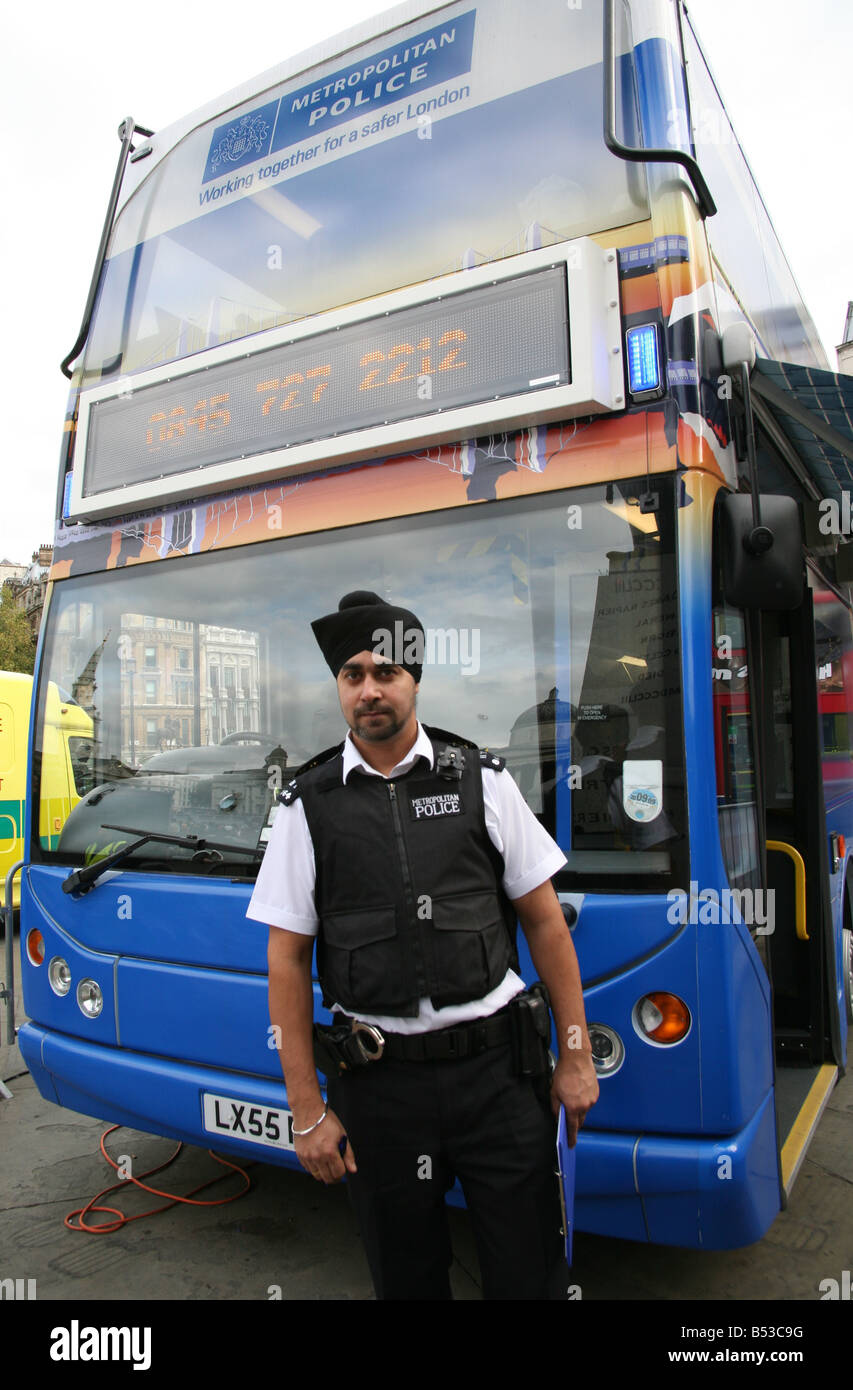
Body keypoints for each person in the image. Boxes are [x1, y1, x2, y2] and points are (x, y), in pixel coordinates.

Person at [247, 590, 598, 1300]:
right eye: (352, 676)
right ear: (339, 690)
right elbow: (285, 960)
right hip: (379, 1093)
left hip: (498, 1080)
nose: (369, 690)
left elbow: (545, 923)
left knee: (528, 1273)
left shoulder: (481, 781)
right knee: (406, 1281)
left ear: (414, 679)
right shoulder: (306, 805)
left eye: (385, 673)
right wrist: (307, 1111)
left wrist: (575, 1057)